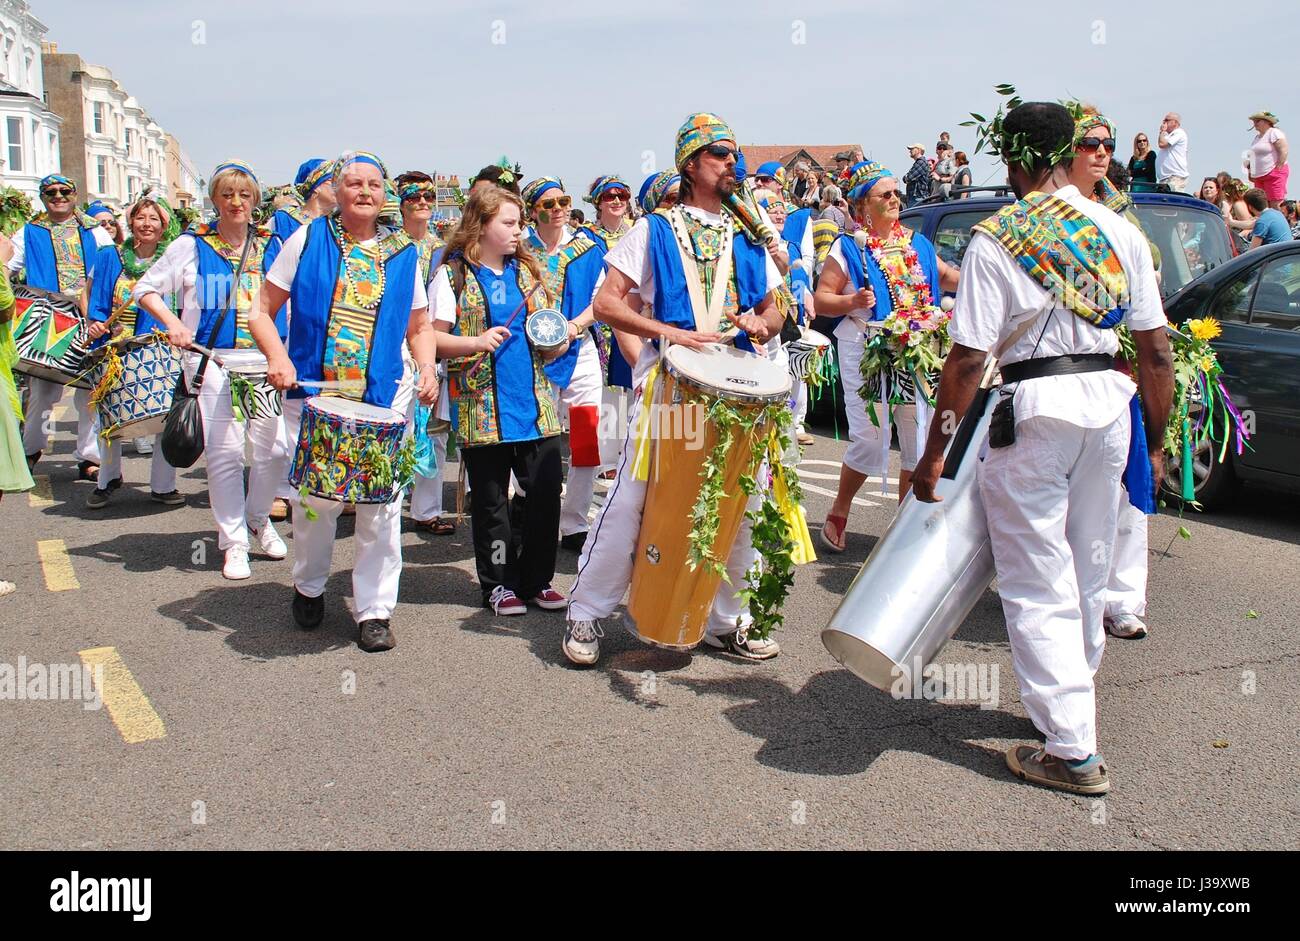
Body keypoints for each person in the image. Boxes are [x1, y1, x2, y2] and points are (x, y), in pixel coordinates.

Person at [911, 100, 1173, 795]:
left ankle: (1070, 749)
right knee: (1089, 565)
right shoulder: (1120, 231)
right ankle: (1069, 708)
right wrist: (1156, 438)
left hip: (1035, 412)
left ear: (1018, 159)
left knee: (1035, 578)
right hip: (1107, 407)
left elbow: (967, 363)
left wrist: (934, 455)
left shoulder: (999, 238)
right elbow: (1156, 352)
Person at [562, 111, 788, 666]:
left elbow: (775, 312)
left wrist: (764, 324)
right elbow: (610, 304)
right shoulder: (654, 229)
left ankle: (725, 623)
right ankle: (587, 613)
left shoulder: (747, 233)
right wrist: (671, 334)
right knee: (634, 500)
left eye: (735, 153)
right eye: (720, 154)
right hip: (673, 387)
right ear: (690, 165)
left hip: (738, 386)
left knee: (744, 501)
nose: (732, 162)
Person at [246, 151, 440, 652]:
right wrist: (278, 356)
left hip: (382, 398)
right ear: (336, 189)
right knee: (316, 503)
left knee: (381, 507)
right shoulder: (308, 238)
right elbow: (261, 311)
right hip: (315, 395)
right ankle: (309, 586)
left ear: (385, 194)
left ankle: (374, 611)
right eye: (354, 183)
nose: (365, 192)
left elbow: (420, 326)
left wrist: (425, 367)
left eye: (375, 184)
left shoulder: (403, 252)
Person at [134, 160, 291, 581]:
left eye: (244, 194)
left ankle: (258, 518)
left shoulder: (272, 244)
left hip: (265, 360)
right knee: (224, 452)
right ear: (214, 200)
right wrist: (174, 324)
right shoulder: (192, 244)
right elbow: (145, 288)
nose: (236, 202)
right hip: (211, 360)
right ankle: (233, 541)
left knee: (274, 450)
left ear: (255, 200)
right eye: (227, 194)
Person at [430, 186, 569, 617]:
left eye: (519, 223)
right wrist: (475, 340)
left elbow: (551, 334)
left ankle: (537, 581)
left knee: (545, 497)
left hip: (535, 406)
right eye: (508, 223)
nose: (518, 231)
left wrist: (558, 342)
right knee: (491, 507)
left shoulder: (529, 271)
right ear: (482, 224)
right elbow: (428, 337)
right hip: (481, 409)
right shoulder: (453, 275)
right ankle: (498, 585)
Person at [814, 161, 960, 552]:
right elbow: (820, 299)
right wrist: (851, 300)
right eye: (886, 194)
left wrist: (991, 277)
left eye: (896, 192)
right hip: (865, 348)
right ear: (863, 207)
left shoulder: (919, 244)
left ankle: (902, 533)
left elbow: (945, 276)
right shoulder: (848, 247)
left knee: (915, 437)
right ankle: (840, 509)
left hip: (914, 349)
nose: (895, 199)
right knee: (870, 437)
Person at [1068, 107, 1162, 641]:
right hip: (1063, 373)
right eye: (1089, 143)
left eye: (1108, 143)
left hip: (1121, 364)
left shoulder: (1122, 212)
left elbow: (1150, 271)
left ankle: (1123, 598)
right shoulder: (1045, 215)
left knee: (1130, 486)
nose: (1101, 152)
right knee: (1071, 496)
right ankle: (1071, 596)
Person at [6, 174, 114, 479]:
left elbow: (111, 270)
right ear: (42, 196)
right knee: (42, 392)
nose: (57, 196)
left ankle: (88, 457)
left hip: (89, 322)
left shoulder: (95, 232)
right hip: (46, 320)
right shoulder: (29, 232)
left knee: (89, 393)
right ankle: (31, 450)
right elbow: (8, 265)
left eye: (64, 191)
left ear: (75, 194)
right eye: (50, 192)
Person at [520, 176, 606, 553]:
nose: (558, 209)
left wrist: (574, 326)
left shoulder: (589, 249)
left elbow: (602, 299)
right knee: (536, 437)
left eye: (563, 201)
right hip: (531, 354)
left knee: (586, 439)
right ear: (532, 212)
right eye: (547, 204)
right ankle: (531, 510)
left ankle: (574, 523)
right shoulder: (519, 251)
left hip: (580, 350)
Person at [84, 193, 185, 509]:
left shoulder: (173, 260)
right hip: (115, 349)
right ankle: (108, 478)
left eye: (154, 218)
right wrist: (96, 324)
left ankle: (163, 485)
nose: (147, 224)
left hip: (159, 349)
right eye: (141, 217)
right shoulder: (109, 256)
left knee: (163, 417)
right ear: (130, 222)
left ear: (164, 225)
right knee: (109, 417)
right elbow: (98, 301)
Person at [394, 170, 455, 535]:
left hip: (431, 341)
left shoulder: (442, 251)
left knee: (433, 430)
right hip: (390, 345)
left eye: (428, 198)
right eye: (414, 197)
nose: (422, 203)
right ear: (401, 204)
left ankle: (426, 510)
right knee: (393, 425)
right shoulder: (389, 246)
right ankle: (380, 495)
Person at [1245, 111, 1289, 210]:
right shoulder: (1257, 137)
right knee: (1262, 205)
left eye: (1258, 121)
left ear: (1267, 122)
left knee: (1276, 203)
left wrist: (1278, 168)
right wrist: (1251, 171)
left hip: (1273, 173)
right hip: (1259, 176)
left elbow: (1283, 149)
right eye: (1254, 121)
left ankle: (1280, 224)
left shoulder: (1274, 132)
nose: (1255, 123)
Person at [1155, 112, 1189, 192]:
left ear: (1175, 122)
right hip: (1165, 178)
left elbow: (1162, 144)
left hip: (1175, 177)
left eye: (1167, 120)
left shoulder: (1179, 133)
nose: (1164, 122)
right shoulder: (1168, 135)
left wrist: (1162, 131)